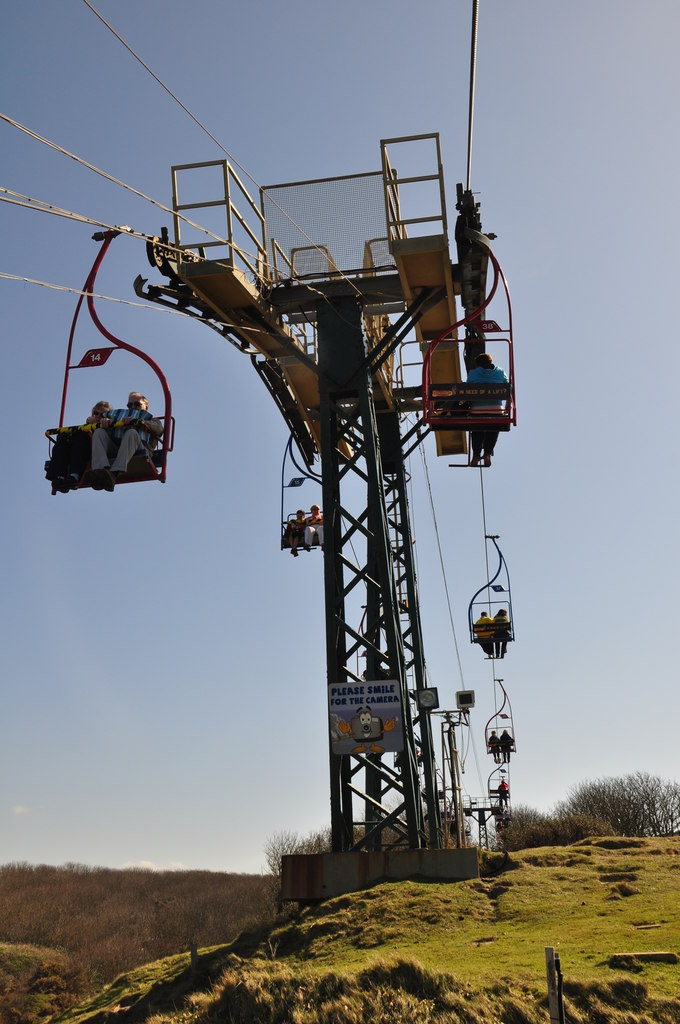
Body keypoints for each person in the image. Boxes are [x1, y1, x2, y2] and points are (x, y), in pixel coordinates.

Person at [86, 392, 163, 491]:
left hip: (140, 449)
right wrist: (104, 423)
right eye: (130, 405)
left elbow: (159, 429)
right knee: (99, 432)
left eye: (137, 404)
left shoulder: (153, 420)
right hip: (119, 448)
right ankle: (100, 470)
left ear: (146, 407)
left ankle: (114, 473)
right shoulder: (121, 418)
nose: (133, 407)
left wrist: (139, 422)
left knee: (131, 432)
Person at [46, 401, 112, 494]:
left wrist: (96, 425)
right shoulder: (85, 429)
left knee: (81, 436)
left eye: (102, 415)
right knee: (63, 438)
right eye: (96, 413)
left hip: (97, 451)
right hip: (81, 449)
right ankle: (58, 477)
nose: (97, 416)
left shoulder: (109, 426)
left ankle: (74, 475)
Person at [466, 352, 509, 467]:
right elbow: (509, 388)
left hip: (477, 410)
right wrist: (506, 409)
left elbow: (467, 390)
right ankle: (487, 453)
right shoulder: (500, 372)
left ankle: (476, 454)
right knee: (493, 428)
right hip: (496, 410)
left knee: (477, 430)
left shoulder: (473, 373)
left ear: (478, 364)